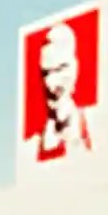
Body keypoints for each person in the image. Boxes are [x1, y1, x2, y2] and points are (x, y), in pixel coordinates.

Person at [36, 22, 92, 161]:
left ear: (75, 68)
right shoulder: (32, 145)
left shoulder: (98, 128)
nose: (50, 84)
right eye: (45, 73)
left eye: (60, 69)